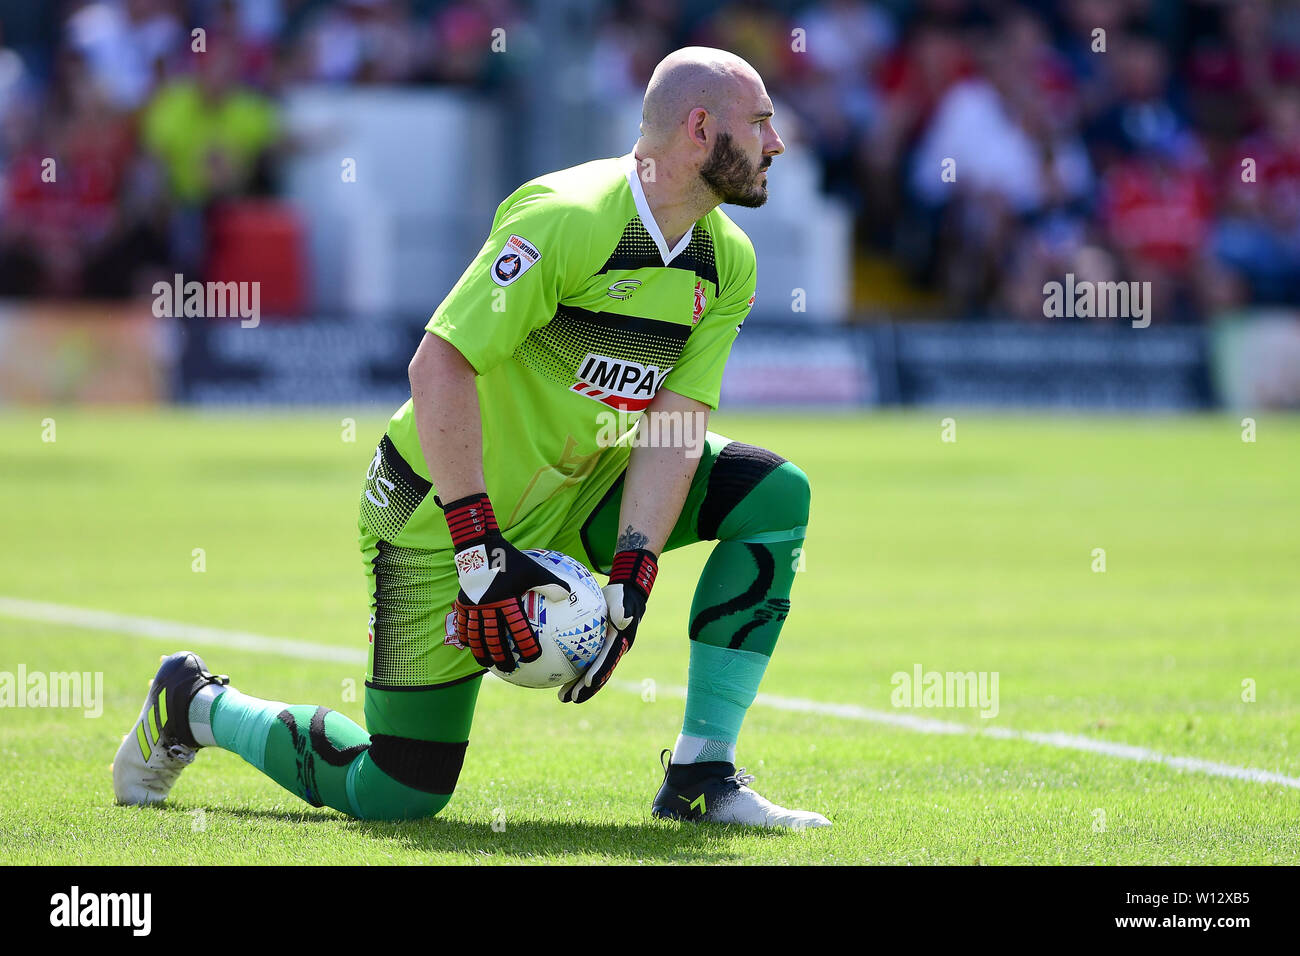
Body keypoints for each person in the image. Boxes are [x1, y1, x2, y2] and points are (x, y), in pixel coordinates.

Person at [113, 47, 830, 829]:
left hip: (578, 488)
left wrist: (635, 566)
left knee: (774, 494)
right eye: (760, 122)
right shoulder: (568, 218)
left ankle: (702, 777)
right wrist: (479, 549)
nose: (776, 143)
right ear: (700, 128)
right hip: (437, 510)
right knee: (399, 793)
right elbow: (439, 366)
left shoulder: (728, 263)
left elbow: (677, 423)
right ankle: (195, 705)